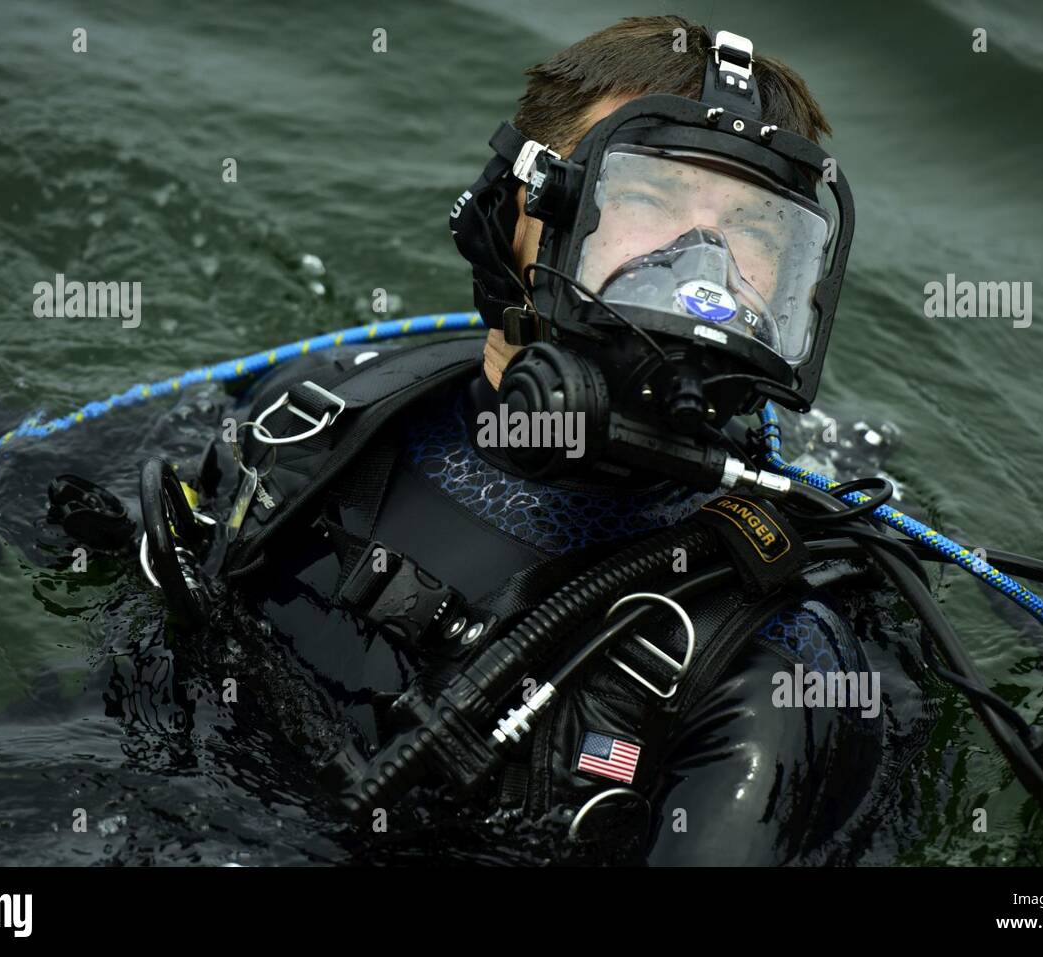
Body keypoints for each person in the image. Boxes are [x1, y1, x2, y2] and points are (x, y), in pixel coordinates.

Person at [185, 16, 887, 865]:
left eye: (755, 233)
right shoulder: (324, 408)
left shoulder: (772, 667)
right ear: (511, 212)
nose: (705, 273)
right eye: (649, 197)